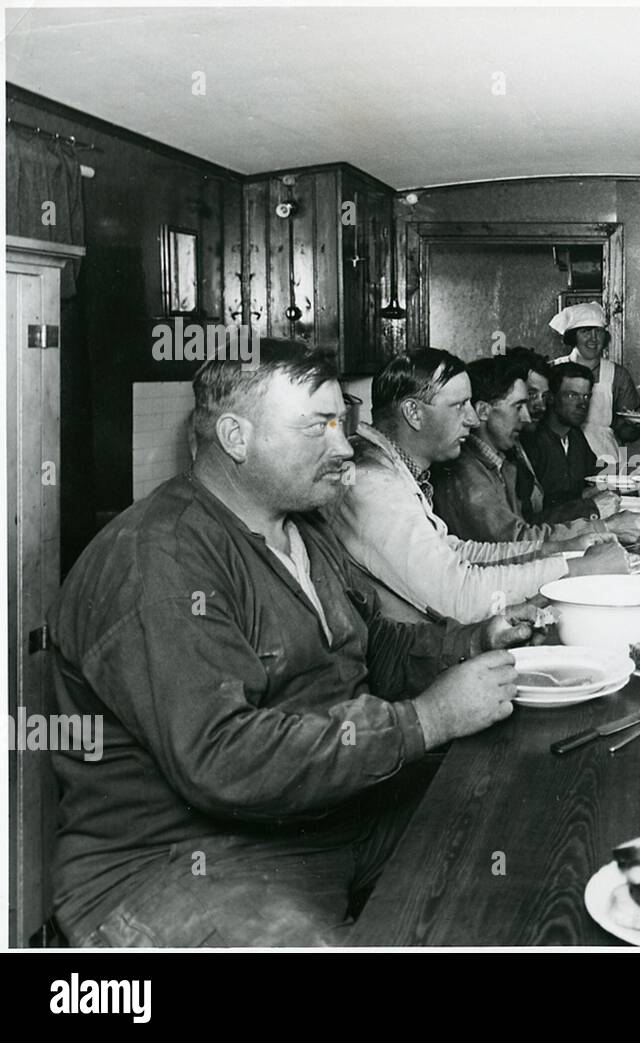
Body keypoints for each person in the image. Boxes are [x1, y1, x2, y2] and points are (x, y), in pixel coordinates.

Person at [46, 340, 532, 948]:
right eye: (317, 427)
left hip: (323, 819)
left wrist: (473, 639)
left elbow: (367, 646)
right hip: (182, 862)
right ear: (235, 437)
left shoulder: (297, 523)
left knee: (515, 825)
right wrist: (425, 721)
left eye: (341, 422)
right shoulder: (159, 558)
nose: (341, 446)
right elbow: (222, 757)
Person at [328, 349, 628, 625]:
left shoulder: (394, 468)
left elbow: (459, 554)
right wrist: (571, 570)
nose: (472, 419)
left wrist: (563, 550)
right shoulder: (372, 484)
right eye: (459, 406)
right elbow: (457, 596)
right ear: (413, 413)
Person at [434, 355, 640, 545]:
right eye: (518, 406)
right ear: (483, 411)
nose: (527, 417)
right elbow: (517, 540)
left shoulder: (497, 462)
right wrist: (602, 524)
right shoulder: (468, 472)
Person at [507, 346, 612, 525]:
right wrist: (583, 499)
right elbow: (532, 514)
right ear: (553, 398)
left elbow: (595, 475)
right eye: (572, 395)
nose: (582, 404)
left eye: (587, 397)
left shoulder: (575, 436)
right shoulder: (530, 439)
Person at [549, 301, 640, 464]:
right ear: (573, 336)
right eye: (585, 331)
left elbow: (627, 432)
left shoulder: (618, 375)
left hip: (606, 459)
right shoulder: (553, 370)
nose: (593, 338)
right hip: (559, 457)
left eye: (598, 331)